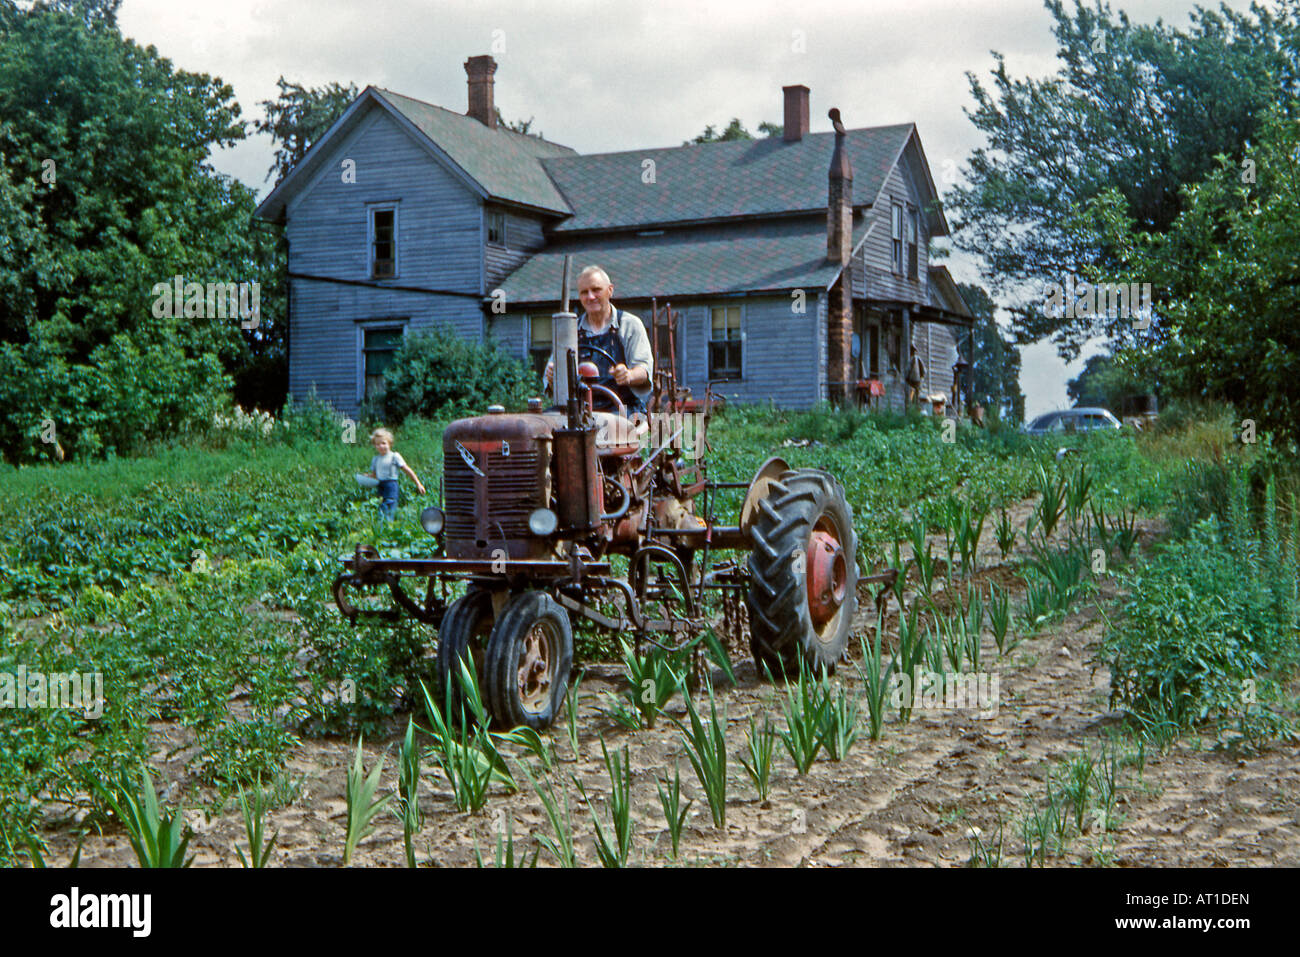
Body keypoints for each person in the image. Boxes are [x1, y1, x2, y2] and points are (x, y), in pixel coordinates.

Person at [545, 265, 653, 413]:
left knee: (609, 432)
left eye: (596, 290)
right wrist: (552, 377)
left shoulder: (629, 324)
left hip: (621, 407)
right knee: (542, 426)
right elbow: (553, 376)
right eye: (584, 292)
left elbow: (643, 370)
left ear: (610, 290)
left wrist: (628, 375)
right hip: (579, 410)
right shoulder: (570, 331)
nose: (590, 297)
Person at [365, 427, 424, 520]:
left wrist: (418, 483)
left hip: (391, 486)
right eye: (377, 444)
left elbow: (407, 470)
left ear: (390, 443)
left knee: (389, 510)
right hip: (380, 486)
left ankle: (389, 529)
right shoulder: (375, 459)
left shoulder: (394, 456)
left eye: (383, 443)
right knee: (381, 512)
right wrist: (367, 477)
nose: (380, 446)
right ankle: (382, 531)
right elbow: (375, 475)